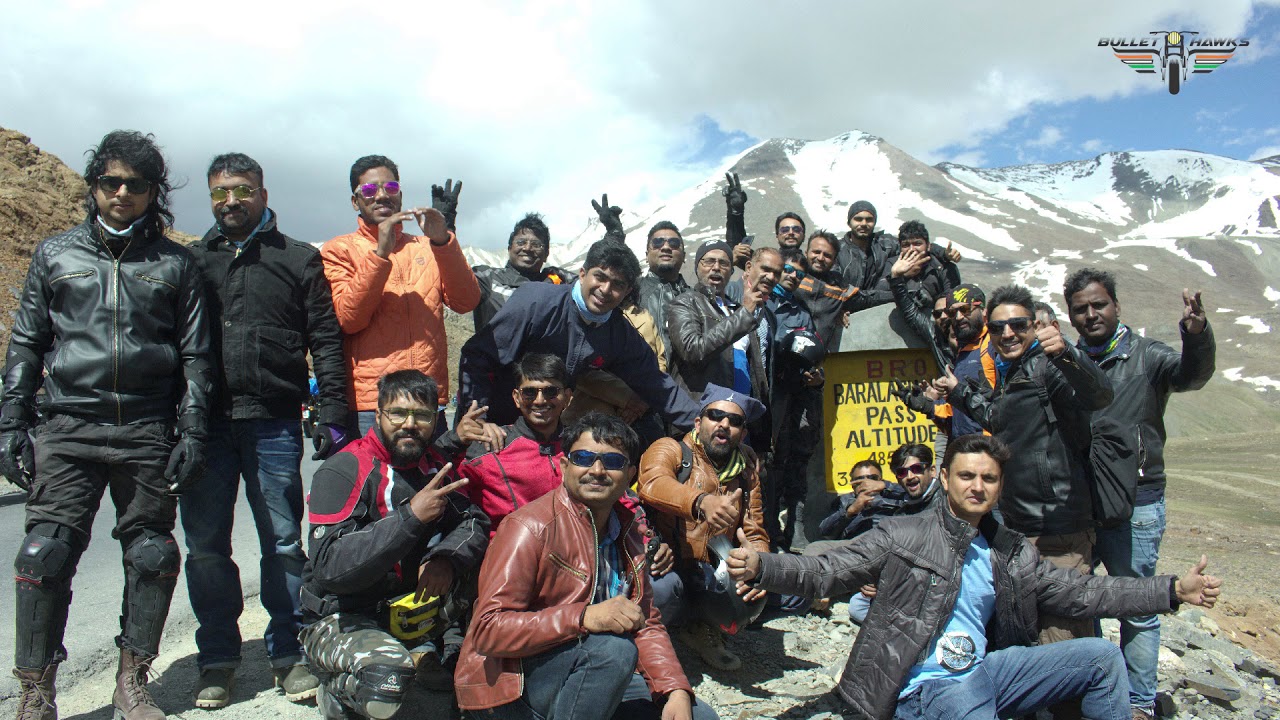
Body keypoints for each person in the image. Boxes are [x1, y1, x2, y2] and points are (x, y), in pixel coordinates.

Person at [727, 434, 1223, 720]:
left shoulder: (1009, 551)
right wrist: (764, 566)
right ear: (945, 479)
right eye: (966, 475)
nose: (977, 486)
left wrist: (1171, 589)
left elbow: (1083, 591)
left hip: (983, 672)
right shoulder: (904, 534)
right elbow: (826, 569)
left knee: (1098, 658)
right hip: (923, 686)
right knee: (963, 698)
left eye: (988, 478)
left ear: (999, 487)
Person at [0, 130, 213, 720]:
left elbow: (197, 356)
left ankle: (132, 684)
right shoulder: (55, 255)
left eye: (136, 184)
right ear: (94, 185)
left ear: (153, 193)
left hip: (146, 427)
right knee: (43, 554)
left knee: (151, 554)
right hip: (67, 425)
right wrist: (11, 422)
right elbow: (26, 344)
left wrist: (192, 432)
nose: (122, 193)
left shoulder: (175, 263)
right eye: (110, 181)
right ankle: (35, 693)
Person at [183, 152, 349, 707]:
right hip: (204, 426)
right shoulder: (193, 261)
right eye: (219, 192)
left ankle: (288, 652)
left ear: (262, 192)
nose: (230, 201)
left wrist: (333, 413)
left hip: (274, 422)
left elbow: (325, 341)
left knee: (281, 543)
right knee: (206, 546)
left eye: (241, 190)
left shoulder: (298, 259)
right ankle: (218, 659)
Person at [454, 413, 717, 720]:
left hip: (594, 672)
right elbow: (488, 630)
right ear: (565, 467)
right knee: (614, 652)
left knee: (698, 716)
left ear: (631, 473)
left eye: (613, 462)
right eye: (583, 458)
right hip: (514, 684)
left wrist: (672, 688)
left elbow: (645, 620)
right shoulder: (528, 528)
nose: (597, 470)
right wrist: (583, 617)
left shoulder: (631, 530)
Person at [1064, 269, 1215, 720]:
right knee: (1082, 598)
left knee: (1139, 602)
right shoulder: (1069, 359)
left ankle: (1138, 703)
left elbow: (1192, 375)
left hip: (1138, 500)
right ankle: (1087, 688)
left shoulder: (1147, 355)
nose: (1091, 314)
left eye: (1099, 305)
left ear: (1116, 306)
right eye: (1080, 308)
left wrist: (1196, 333)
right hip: (1085, 501)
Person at [299, 369, 489, 720]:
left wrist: (445, 559)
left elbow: (474, 521)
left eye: (421, 415)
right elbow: (329, 569)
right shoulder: (344, 469)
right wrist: (410, 518)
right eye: (398, 413)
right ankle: (337, 691)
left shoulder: (430, 465)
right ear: (379, 414)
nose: (410, 424)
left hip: (402, 611)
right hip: (341, 617)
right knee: (385, 682)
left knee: (489, 563)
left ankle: (433, 648)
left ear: (436, 419)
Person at [937, 285, 1113, 651]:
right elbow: (998, 419)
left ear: (1034, 326)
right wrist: (957, 391)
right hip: (1023, 524)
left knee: (1064, 631)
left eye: (1017, 325)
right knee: (1036, 627)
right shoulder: (1012, 371)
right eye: (999, 327)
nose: (1007, 334)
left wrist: (1068, 355)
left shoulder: (1050, 367)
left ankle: (1083, 703)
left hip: (1058, 524)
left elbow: (1099, 395)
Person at [457, 238, 699, 430]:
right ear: (582, 274)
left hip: (547, 427)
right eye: (600, 277)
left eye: (618, 284)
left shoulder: (619, 333)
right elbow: (478, 355)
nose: (606, 290)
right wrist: (477, 416)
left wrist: (703, 426)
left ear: (627, 292)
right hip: (492, 419)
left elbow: (658, 386)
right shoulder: (535, 302)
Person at [320, 155, 480, 436]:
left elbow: (466, 302)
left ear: (400, 194)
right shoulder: (338, 250)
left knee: (435, 479)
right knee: (375, 481)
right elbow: (349, 319)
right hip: (373, 406)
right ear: (355, 201)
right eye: (369, 190)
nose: (382, 195)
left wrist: (443, 241)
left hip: (427, 401)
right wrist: (380, 254)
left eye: (390, 188)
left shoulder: (427, 246)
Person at [638, 385, 770, 671]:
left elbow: (755, 532)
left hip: (714, 568)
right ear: (699, 423)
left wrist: (759, 567)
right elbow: (652, 483)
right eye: (715, 415)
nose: (724, 424)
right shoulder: (670, 449)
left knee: (774, 588)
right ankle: (645, 645)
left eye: (734, 421)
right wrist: (700, 501)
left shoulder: (746, 473)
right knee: (662, 591)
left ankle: (699, 628)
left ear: (742, 434)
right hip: (668, 563)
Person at [668, 245, 781, 445]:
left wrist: (760, 436)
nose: (716, 268)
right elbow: (693, 350)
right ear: (697, 267)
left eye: (724, 263)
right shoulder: (685, 303)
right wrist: (744, 315)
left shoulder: (739, 310)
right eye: (709, 261)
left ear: (731, 270)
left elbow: (755, 375)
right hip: (702, 422)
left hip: (738, 425)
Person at [814, 446, 940, 624]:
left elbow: (911, 492)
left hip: (886, 547)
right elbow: (825, 531)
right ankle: (820, 593)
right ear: (852, 484)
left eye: (872, 478)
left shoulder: (900, 496)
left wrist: (885, 487)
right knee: (814, 549)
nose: (867, 483)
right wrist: (851, 511)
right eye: (860, 480)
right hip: (854, 546)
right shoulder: (845, 501)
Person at [450, 353, 573, 536]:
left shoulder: (581, 446)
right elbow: (440, 478)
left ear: (567, 397)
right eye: (530, 392)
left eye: (550, 392)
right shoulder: (489, 444)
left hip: (571, 555)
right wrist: (455, 440)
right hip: (506, 557)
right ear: (516, 398)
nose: (540, 400)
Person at [764, 250, 825, 551]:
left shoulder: (801, 312)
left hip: (790, 399)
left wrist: (816, 375)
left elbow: (811, 350)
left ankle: (790, 529)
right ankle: (765, 528)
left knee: (788, 463)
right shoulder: (754, 298)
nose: (791, 276)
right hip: (759, 397)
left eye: (799, 274)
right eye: (787, 270)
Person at [471, 213, 572, 332]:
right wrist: (446, 233)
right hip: (492, 350)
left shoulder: (557, 284)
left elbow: (588, 289)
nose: (527, 248)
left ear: (546, 254)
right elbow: (454, 284)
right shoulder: (487, 278)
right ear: (509, 248)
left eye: (536, 245)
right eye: (521, 242)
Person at [637, 221, 690, 371]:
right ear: (647, 255)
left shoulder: (696, 298)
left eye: (674, 243)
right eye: (658, 242)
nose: (666, 247)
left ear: (684, 256)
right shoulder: (630, 291)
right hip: (639, 386)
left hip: (684, 391)